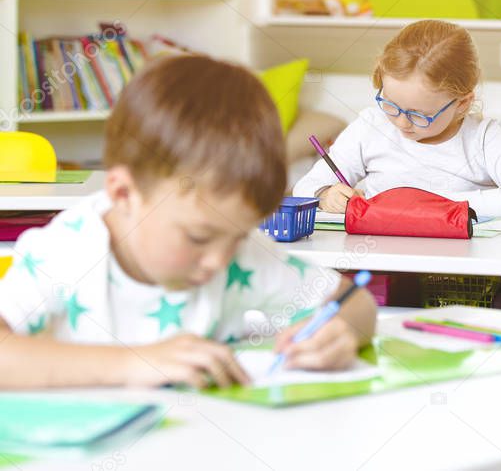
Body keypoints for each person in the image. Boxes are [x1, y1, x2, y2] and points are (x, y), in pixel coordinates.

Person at [0, 54, 377, 389]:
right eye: (198, 237)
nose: (219, 260)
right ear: (123, 194)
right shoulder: (67, 251)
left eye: (238, 236)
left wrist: (340, 331)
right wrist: (132, 364)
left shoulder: (237, 253)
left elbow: (356, 301)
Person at [294, 20, 501, 220]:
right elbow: (305, 187)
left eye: (419, 115)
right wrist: (325, 196)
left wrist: (428, 205)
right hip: (382, 265)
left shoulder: (482, 138)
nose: (401, 123)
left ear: (462, 103)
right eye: (391, 105)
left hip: (460, 277)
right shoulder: (372, 125)